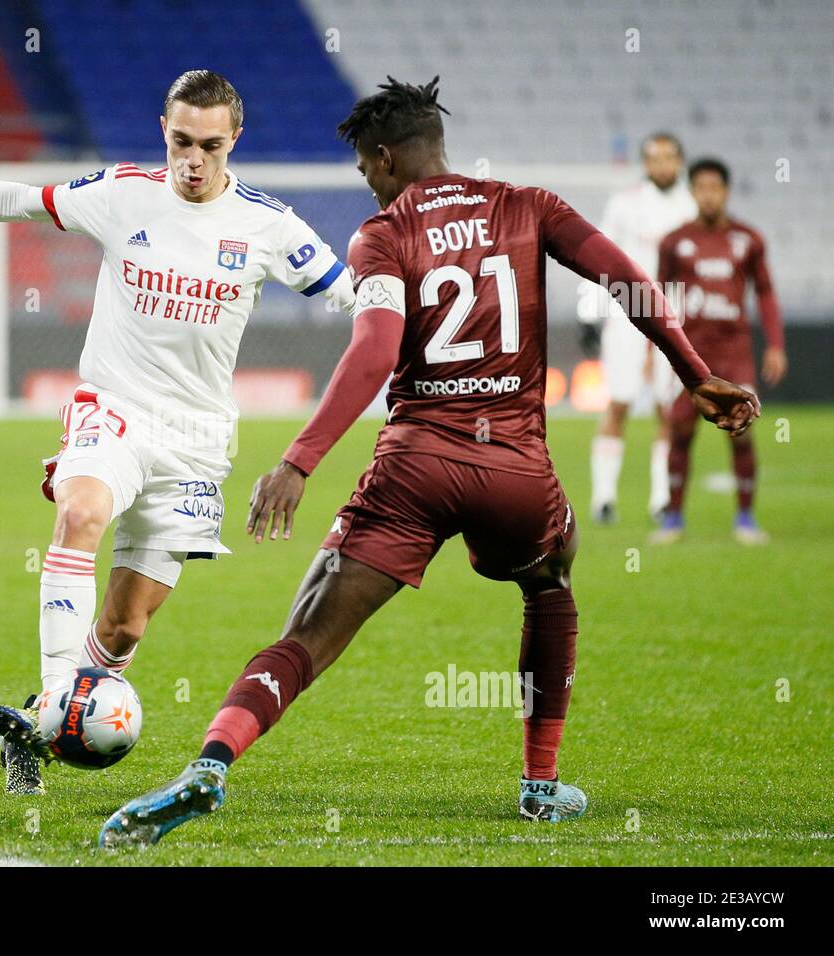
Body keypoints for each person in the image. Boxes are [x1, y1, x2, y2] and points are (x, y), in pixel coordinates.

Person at [100, 77, 760, 846]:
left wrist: (299, 461)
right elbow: (628, 282)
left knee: (306, 637)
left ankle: (211, 765)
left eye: (365, 170)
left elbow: (375, 351)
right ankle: (540, 784)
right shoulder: (530, 207)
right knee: (550, 579)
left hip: (413, 469)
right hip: (516, 470)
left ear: (385, 158)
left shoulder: (383, 235)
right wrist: (693, 373)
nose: (368, 185)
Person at [0, 69, 355, 795]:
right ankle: (51, 705)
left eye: (210, 146)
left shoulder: (269, 226)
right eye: (181, 142)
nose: (194, 160)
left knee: (124, 628)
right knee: (82, 512)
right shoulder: (123, 193)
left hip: (195, 440)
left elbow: (354, 297)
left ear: (234, 141)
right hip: (114, 408)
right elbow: (23, 201)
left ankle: (41, 721)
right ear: (164, 131)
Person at [652, 157, 785, 544]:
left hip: (734, 352)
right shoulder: (674, 241)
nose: (708, 195)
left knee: (741, 430)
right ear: (692, 192)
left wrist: (776, 344)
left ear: (726, 191)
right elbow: (657, 297)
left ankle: (745, 518)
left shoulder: (748, 239)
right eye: (701, 188)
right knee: (680, 430)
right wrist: (652, 349)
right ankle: (673, 519)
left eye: (715, 188)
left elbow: (765, 292)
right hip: (690, 355)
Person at [579, 132, 697, 524]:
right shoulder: (624, 203)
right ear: (645, 163)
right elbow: (595, 255)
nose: (662, 164)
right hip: (626, 315)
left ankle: (661, 499)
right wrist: (588, 312)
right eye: (654, 158)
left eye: (668, 157)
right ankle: (604, 498)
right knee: (620, 401)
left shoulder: (692, 206)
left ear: (679, 161)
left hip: (675, 318)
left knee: (668, 408)